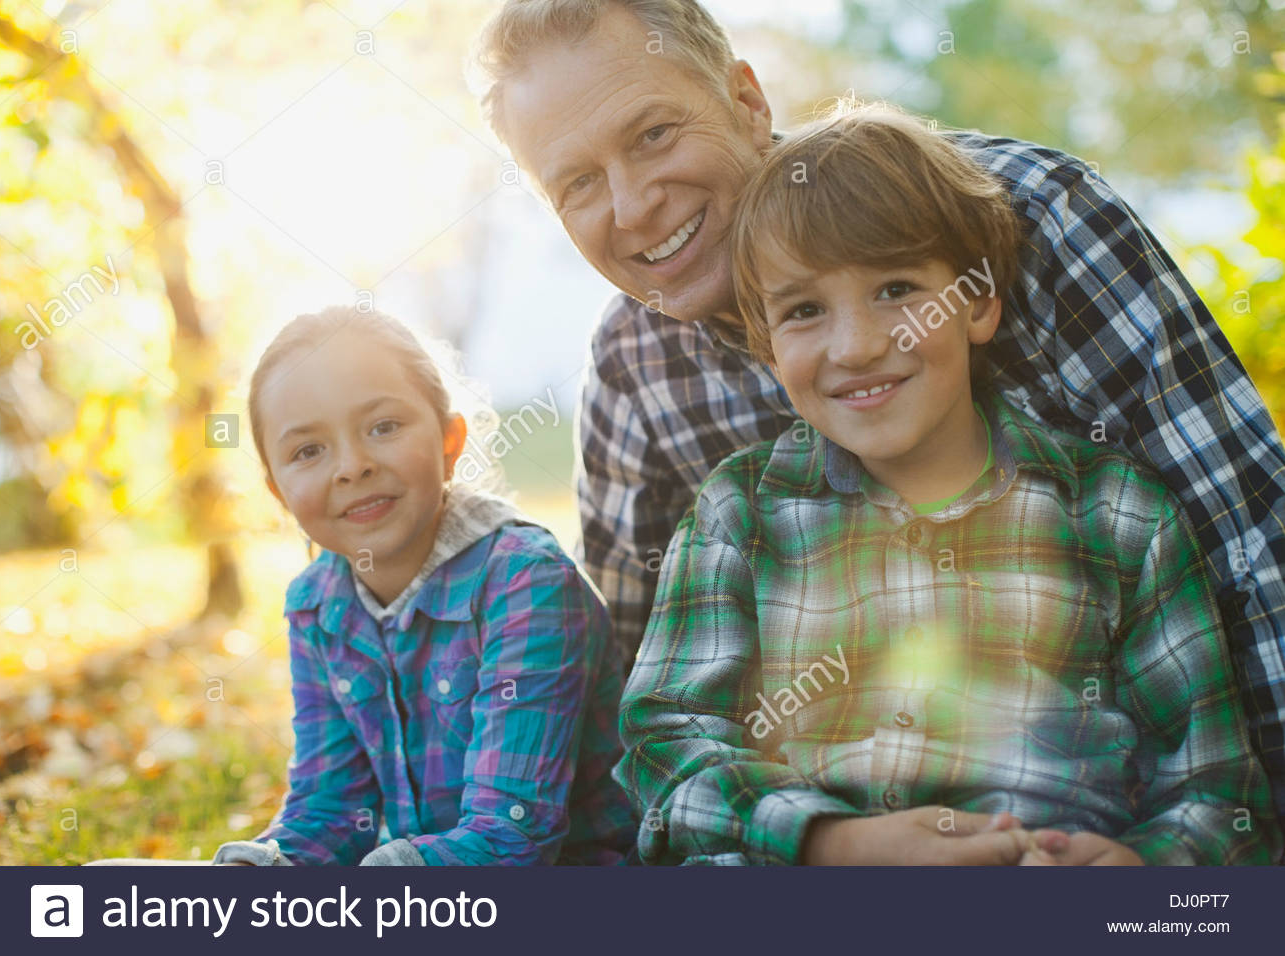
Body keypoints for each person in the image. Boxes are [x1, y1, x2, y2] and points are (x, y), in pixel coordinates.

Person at [471, 0, 1285, 837]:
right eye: (577, 182)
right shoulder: (636, 370)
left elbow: (1252, 554)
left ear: (747, 102)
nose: (634, 204)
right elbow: (640, 712)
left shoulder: (1026, 216)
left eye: (653, 135)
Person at [615, 105, 1282, 866]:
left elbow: (1218, 792)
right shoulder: (738, 516)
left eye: (898, 289)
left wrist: (1141, 868)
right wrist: (834, 843)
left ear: (979, 302)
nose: (859, 345)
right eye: (804, 310)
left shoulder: (1117, 514)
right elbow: (666, 747)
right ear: (767, 347)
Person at [210, 306, 634, 865]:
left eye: (383, 427)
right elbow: (331, 808)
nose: (352, 465)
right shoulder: (315, 606)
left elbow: (513, 838)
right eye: (308, 450)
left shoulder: (526, 583)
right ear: (278, 491)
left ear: (450, 441)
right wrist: (273, 864)